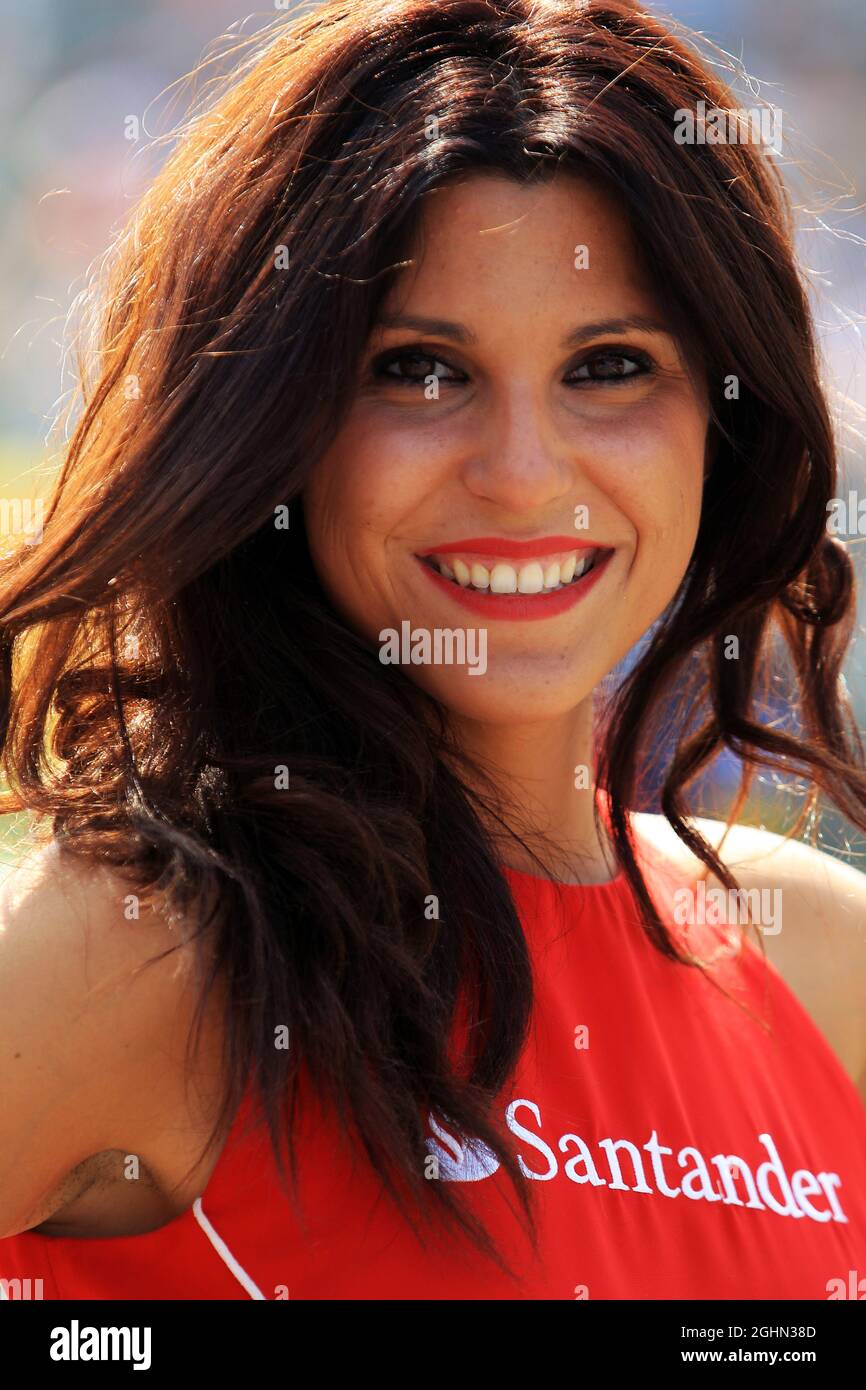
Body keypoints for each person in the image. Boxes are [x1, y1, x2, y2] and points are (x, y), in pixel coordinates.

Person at [0, 0, 864, 1301]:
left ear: (720, 430)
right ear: (272, 427)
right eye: (414, 370)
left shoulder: (819, 954)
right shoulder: (149, 940)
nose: (521, 476)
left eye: (610, 365)